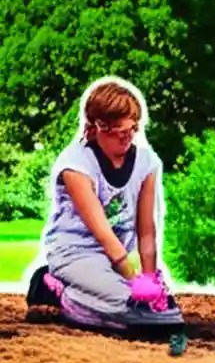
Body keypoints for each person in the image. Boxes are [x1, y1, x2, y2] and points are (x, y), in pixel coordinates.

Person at [25, 76, 183, 330]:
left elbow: (146, 229)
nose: (127, 138)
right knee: (127, 304)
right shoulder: (76, 165)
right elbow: (104, 235)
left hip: (111, 258)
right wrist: (134, 283)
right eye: (121, 132)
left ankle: (102, 302)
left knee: (165, 312)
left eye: (132, 130)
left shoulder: (147, 163)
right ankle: (54, 291)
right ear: (99, 127)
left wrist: (150, 280)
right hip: (75, 253)